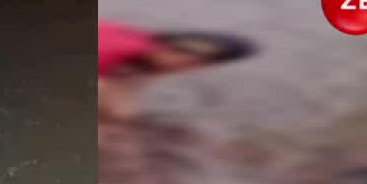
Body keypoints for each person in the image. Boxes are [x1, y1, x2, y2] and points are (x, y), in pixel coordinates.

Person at [97, 21, 258, 120]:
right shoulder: (118, 51)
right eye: (192, 63)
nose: (187, 69)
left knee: (122, 112)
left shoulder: (141, 41)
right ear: (174, 50)